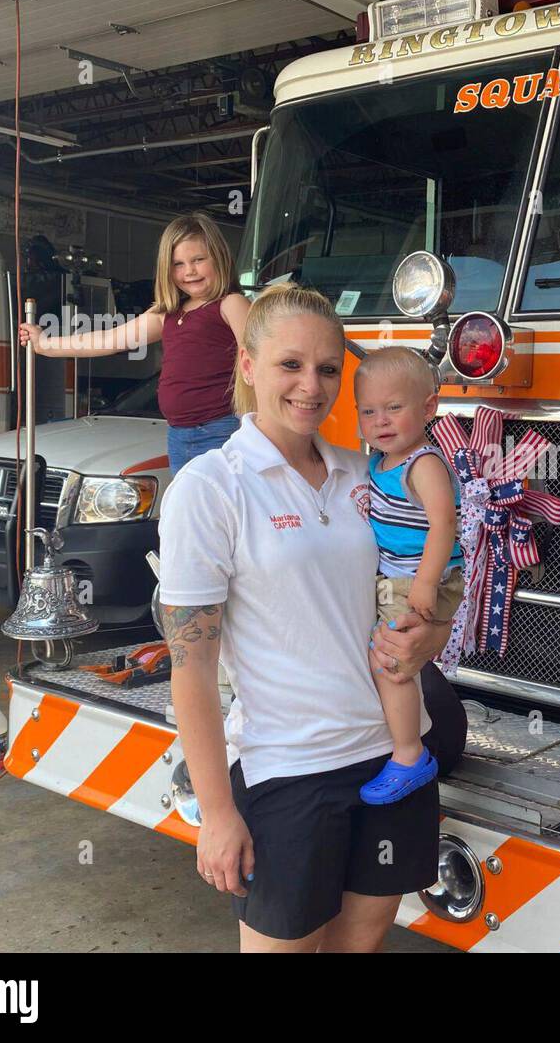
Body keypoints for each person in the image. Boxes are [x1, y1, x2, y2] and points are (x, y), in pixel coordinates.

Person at [156, 283, 460, 953]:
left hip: (391, 759)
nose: (311, 385)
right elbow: (192, 667)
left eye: (328, 369)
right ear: (248, 365)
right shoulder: (212, 487)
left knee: (360, 943)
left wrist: (427, 635)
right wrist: (217, 813)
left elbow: (426, 595)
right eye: (291, 364)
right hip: (290, 770)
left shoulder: (369, 474)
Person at [18, 212, 251, 473]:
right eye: (178, 264)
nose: (189, 271)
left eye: (198, 260)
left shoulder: (232, 304)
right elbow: (109, 340)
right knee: (189, 512)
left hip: (222, 430)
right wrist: (45, 344)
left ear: (219, 258)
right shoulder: (167, 313)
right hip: (177, 434)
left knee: (224, 510)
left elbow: (258, 367)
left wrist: (254, 427)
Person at [352, 346, 465, 805]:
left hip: (422, 578)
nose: (381, 421)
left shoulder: (424, 463)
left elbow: (445, 522)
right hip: (397, 576)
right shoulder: (379, 463)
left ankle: (408, 754)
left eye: (394, 408)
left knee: (390, 663)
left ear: (429, 408)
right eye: (369, 411)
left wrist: (424, 582)